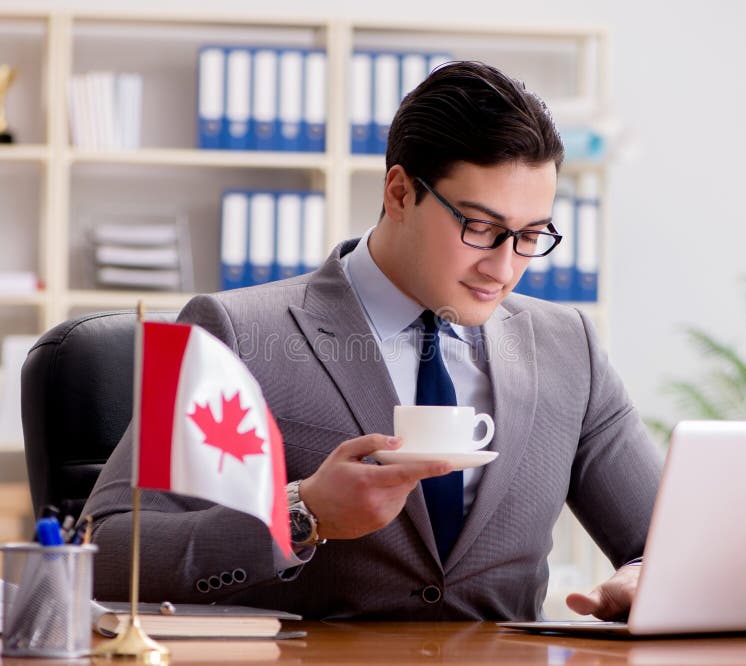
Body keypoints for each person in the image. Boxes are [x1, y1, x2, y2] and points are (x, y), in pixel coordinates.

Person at [82, 61, 662, 621]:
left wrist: (647, 575)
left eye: (530, 235)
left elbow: (664, 543)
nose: (504, 267)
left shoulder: (569, 348)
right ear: (400, 193)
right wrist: (301, 513)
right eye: (479, 228)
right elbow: (103, 554)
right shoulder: (238, 333)